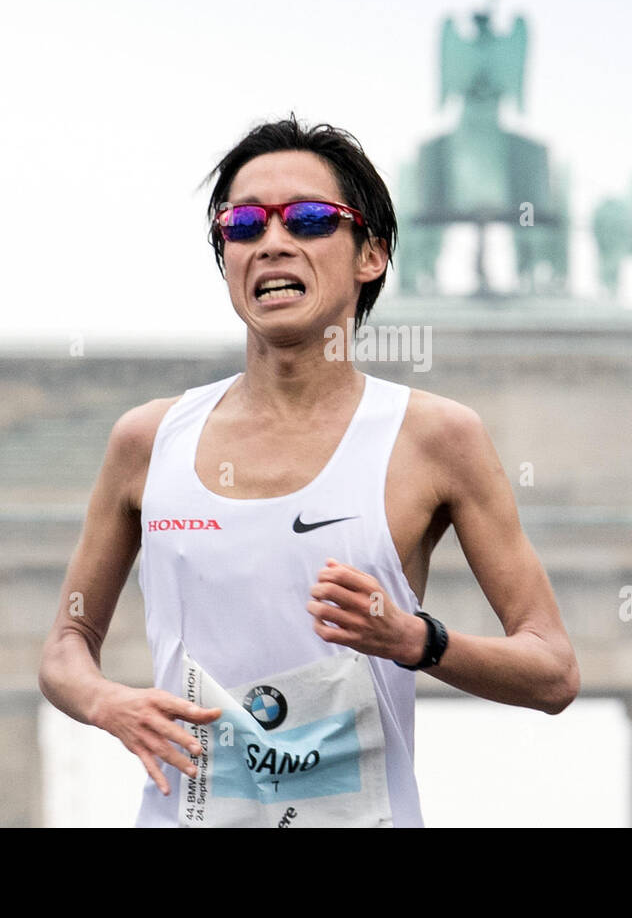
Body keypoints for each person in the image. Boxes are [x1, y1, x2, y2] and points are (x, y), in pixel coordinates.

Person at [38, 114, 579, 827]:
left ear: (371, 256)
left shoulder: (435, 438)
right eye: (244, 225)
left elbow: (552, 669)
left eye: (311, 219)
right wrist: (109, 701)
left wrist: (417, 639)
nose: (273, 242)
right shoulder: (147, 440)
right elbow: (67, 644)